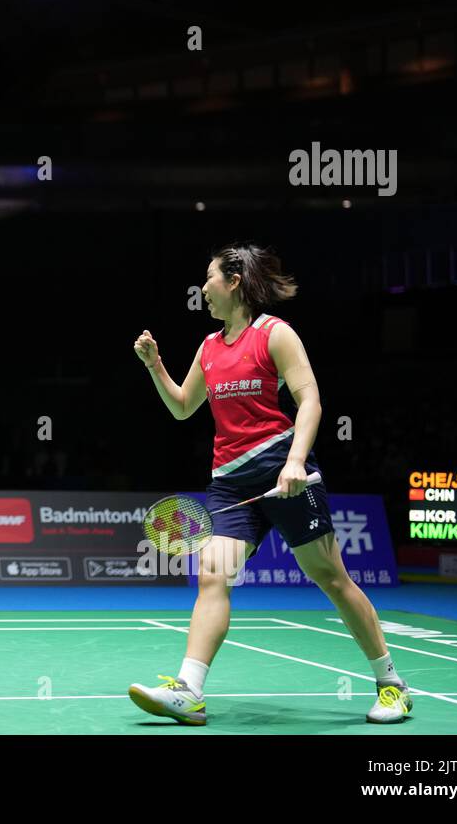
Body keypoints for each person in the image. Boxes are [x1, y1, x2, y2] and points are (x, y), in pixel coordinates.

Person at [127, 244, 412, 725]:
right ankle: (189, 691)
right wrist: (156, 366)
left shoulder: (274, 335)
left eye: (209, 278)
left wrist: (296, 461)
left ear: (234, 281)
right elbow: (182, 407)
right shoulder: (208, 347)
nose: (203, 288)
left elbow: (310, 400)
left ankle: (392, 684)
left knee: (330, 577)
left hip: (283, 470)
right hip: (229, 482)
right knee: (213, 575)